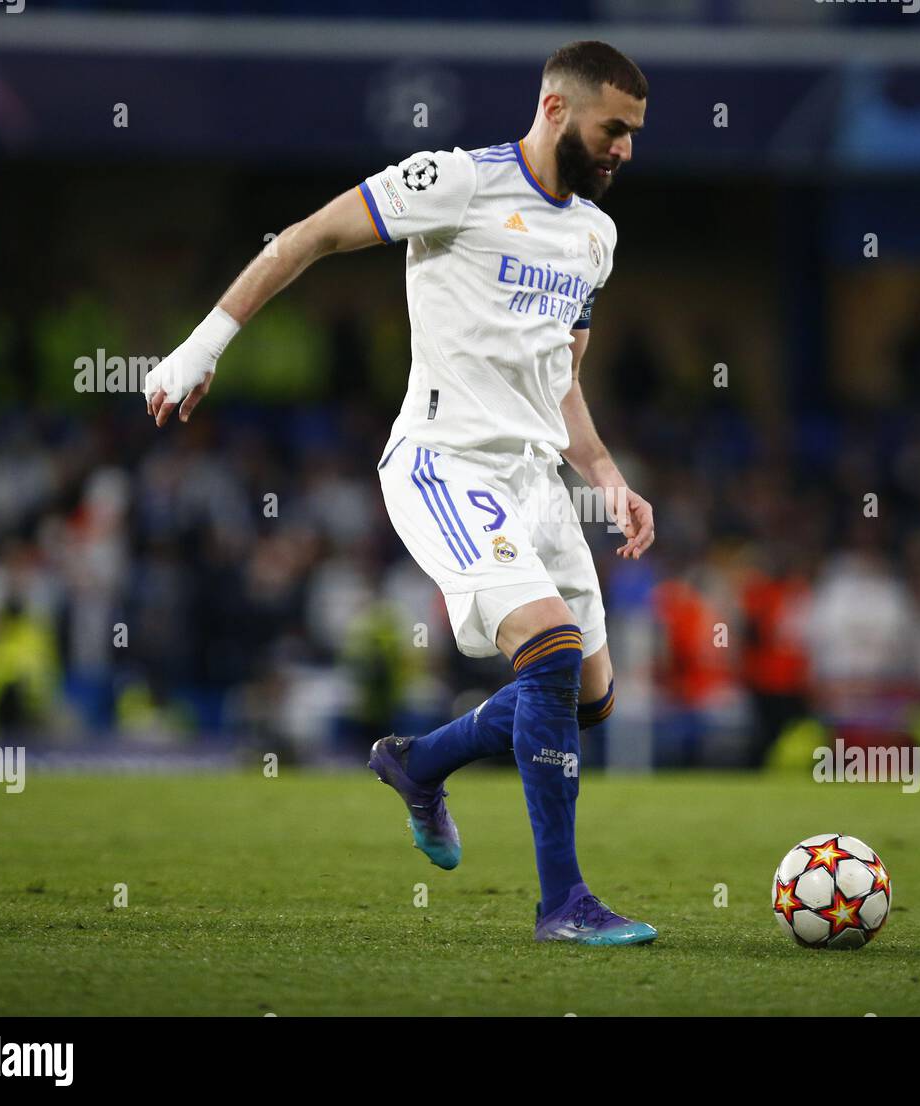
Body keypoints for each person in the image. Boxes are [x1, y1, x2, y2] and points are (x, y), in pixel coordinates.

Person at [143, 41, 657, 946]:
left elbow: (560, 379)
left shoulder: (595, 238)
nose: (622, 150)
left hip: (536, 481)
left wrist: (609, 479)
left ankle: (419, 764)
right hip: (443, 461)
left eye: (633, 136)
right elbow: (308, 237)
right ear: (553, 108)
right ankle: (564, 905)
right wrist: (201, 346)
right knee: (550, 648)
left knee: (591, 699)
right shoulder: (454, 182)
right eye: (611, 128)